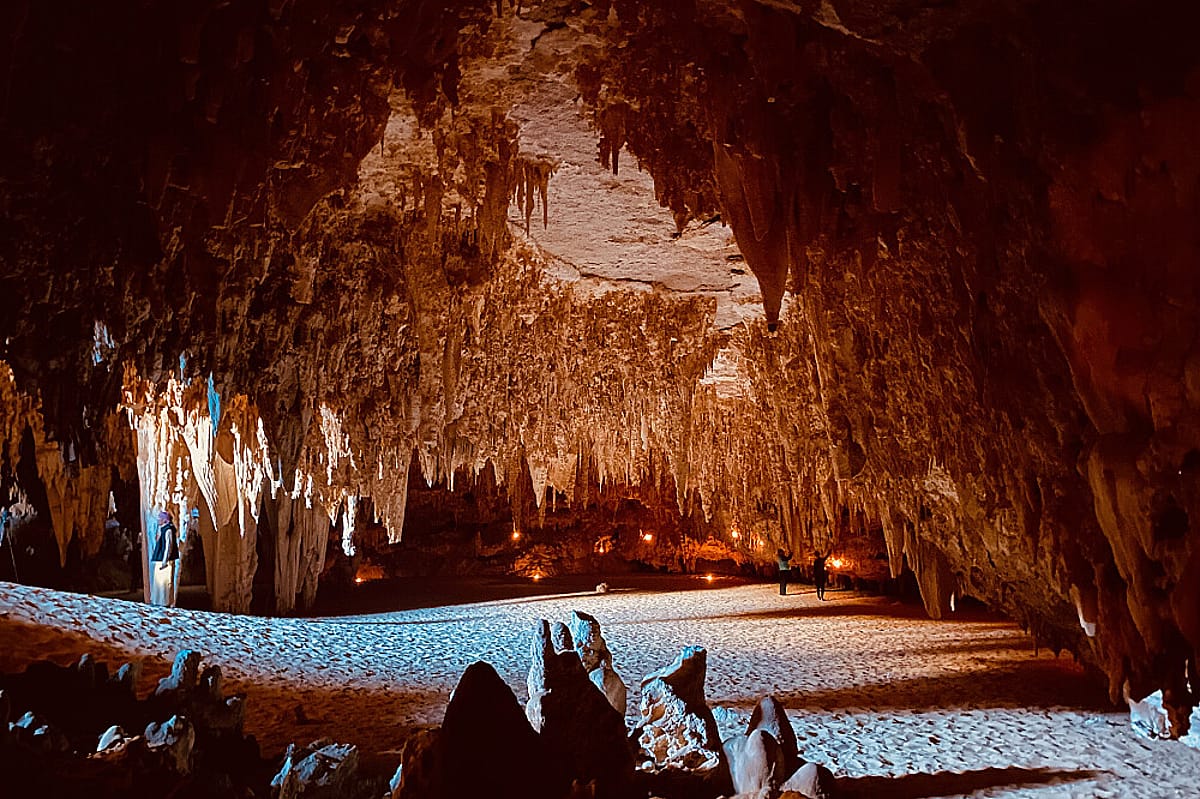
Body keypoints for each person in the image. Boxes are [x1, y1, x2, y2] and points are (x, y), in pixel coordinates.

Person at [150, 509, 179, 606]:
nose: (158, 519)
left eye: (160, 518)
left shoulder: (168, 530)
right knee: (159, 583)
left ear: (165, 520)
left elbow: (168, 546)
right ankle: (158, 600)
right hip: (161, 559)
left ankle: (164, 602)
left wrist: (164, 561)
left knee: (164, 584)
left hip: (164, 561)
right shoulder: (165, 529)